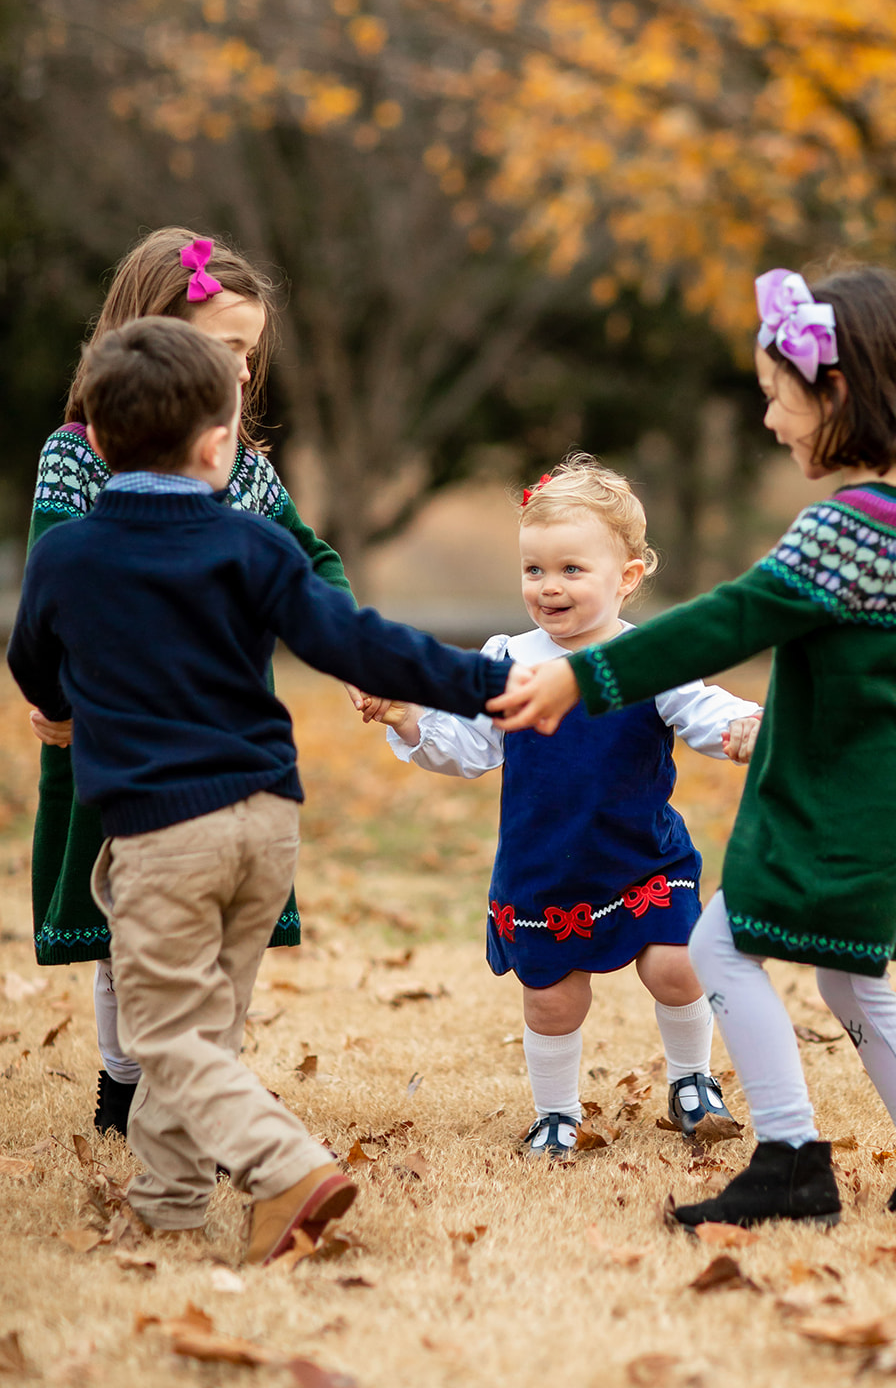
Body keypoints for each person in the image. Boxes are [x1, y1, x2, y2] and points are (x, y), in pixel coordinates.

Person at [7, 318, 515, 1262]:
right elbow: (360, 643)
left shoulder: (68, 557)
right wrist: (490, 683)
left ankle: (286, 1165)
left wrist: (59, 703)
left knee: (164, 1034)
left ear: (98, 445)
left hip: (165, 834)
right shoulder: (255, 547)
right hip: (267, 824)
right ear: (216, 446)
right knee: (205, 1030)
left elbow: (31, 661)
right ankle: (166, 1202)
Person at [489, 267, 896, 1223]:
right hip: (892, 780)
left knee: (715, 951)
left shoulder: (846, 527)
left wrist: (580, 675)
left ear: (834, 391)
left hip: (832, 786)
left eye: (775, 398)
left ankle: (791, 1161)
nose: (769, 422)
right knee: (849, 977)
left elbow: (728, 619)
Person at [26, 227, 350, 1138]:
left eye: (248, 354)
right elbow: (50, 585)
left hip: (224, 736)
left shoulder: (241, 466)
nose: (241, 373)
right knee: (130, 923)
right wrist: (55, 698)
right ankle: (126, 1089)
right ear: (147, 337)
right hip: (116, 735)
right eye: (221, 350)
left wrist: (354, 647)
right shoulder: (79, 456)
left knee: (205, 926)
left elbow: (312, 557)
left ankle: (198, 1086)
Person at [361, 454, 762, 1157]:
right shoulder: (507, 659)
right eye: (534, 570)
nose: (548, 587)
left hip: (641, 858)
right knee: (552, 998)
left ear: (627, 578)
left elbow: (700, 707)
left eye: (571, 570)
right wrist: (407, 719)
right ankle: (557, 1113)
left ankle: (691, 1082)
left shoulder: (648, 658)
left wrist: (742, 727)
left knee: (676, 964)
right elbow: (468, 747)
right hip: (545, 868)